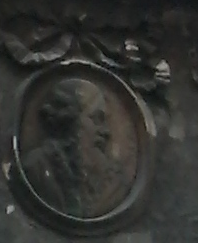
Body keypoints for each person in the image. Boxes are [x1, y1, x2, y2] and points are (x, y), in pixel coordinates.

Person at [21, 78, 126, 219]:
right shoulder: (35, 168)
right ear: (70, 118)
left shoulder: (109, 181)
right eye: (97, 119)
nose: (106, 131)